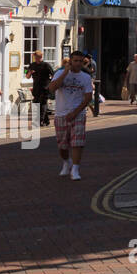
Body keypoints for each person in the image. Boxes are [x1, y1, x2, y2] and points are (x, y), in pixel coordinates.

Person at [48, 51, 93, 180]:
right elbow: (52, 88)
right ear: (70, 61)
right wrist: (64, 73)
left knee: (77, 143)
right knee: (62, 145)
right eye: (76, 61)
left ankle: (75, 169)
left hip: (78, 114)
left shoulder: (86, 77)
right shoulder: (59, 73)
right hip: (61, 113)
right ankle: (66, 162)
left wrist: (75, 112)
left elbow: (88, 97)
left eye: (81, 61)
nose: (78, 63)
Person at [26, 50, 53, 126]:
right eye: (35, 57)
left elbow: (53, 75)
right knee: (36, 103)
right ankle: (46, 120)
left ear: (41, 57)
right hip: (36, 87)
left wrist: (50, 84)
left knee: (43, 103)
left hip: (45, 87)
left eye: (37, 57)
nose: (36, 59)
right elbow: (27, 77)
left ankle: (40, 120)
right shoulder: (32, 65)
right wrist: (30, 72)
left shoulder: (46, 65)